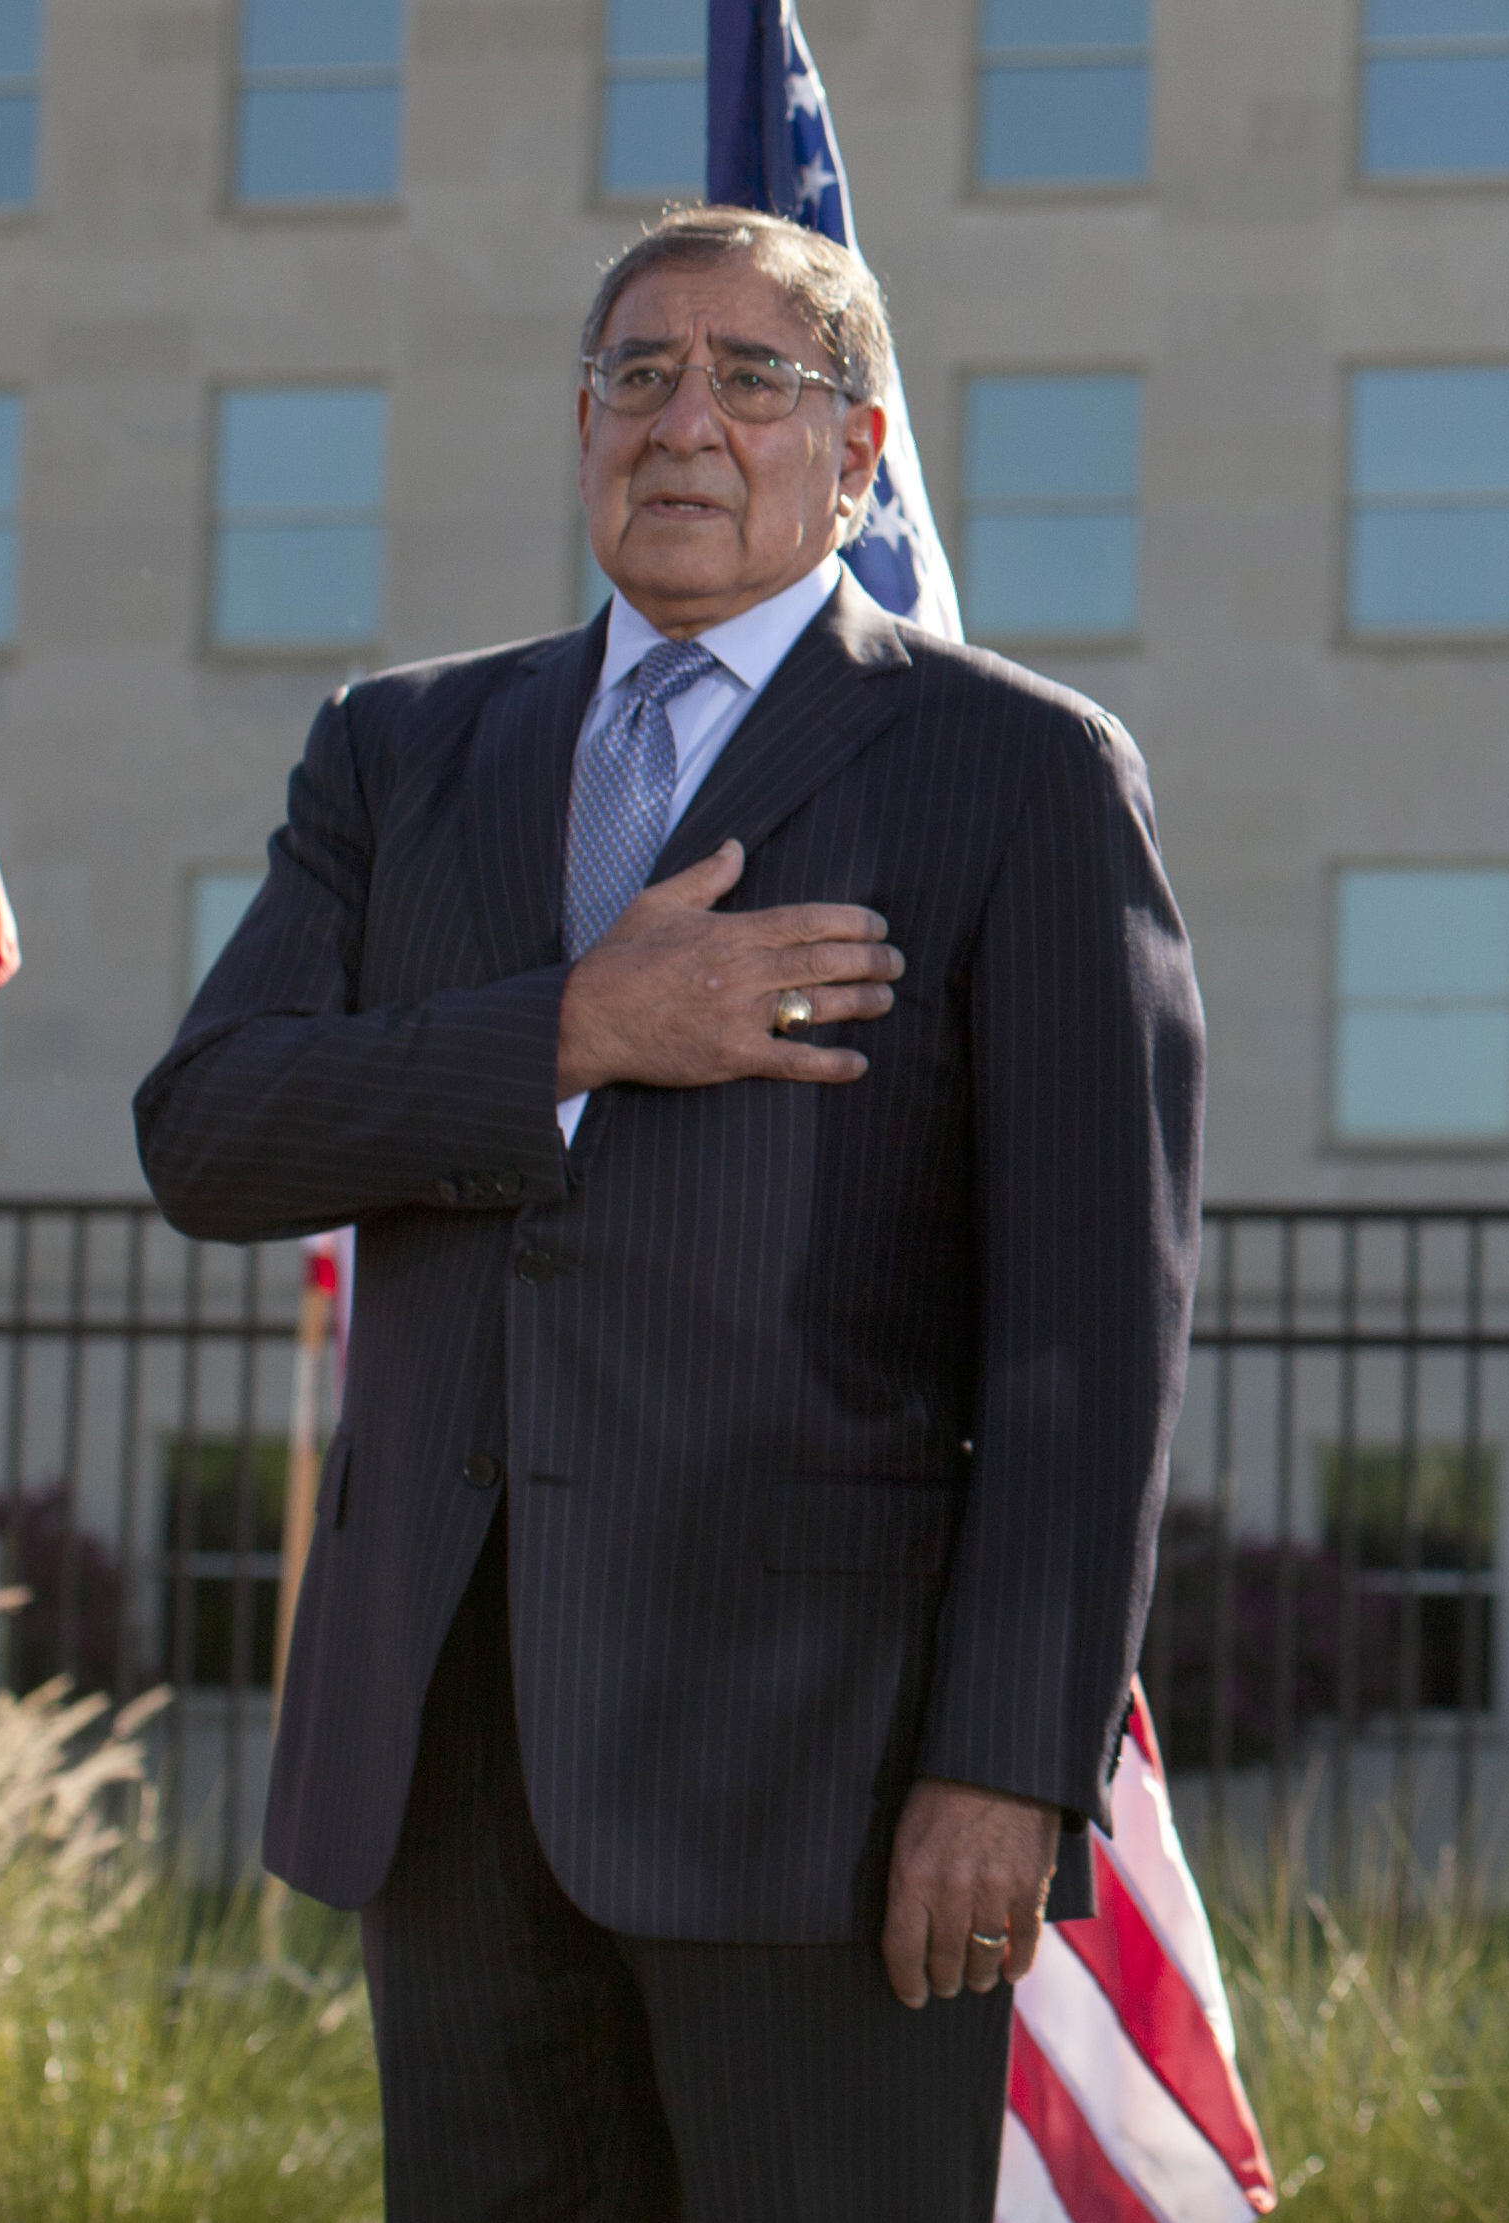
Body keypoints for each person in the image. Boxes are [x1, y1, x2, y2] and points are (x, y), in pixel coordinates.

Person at [134, 204, 1202, 2222]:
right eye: (638, 372)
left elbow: (1086, 1339)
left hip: (823, 1785)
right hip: (445, 1762)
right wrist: (571, 1027)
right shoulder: (405, 753)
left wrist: (1008, 1762)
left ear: (860, 452)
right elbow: (210, 1129)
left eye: (754, 377)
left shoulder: (1021, 774)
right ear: (578, 428)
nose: (684, 418)